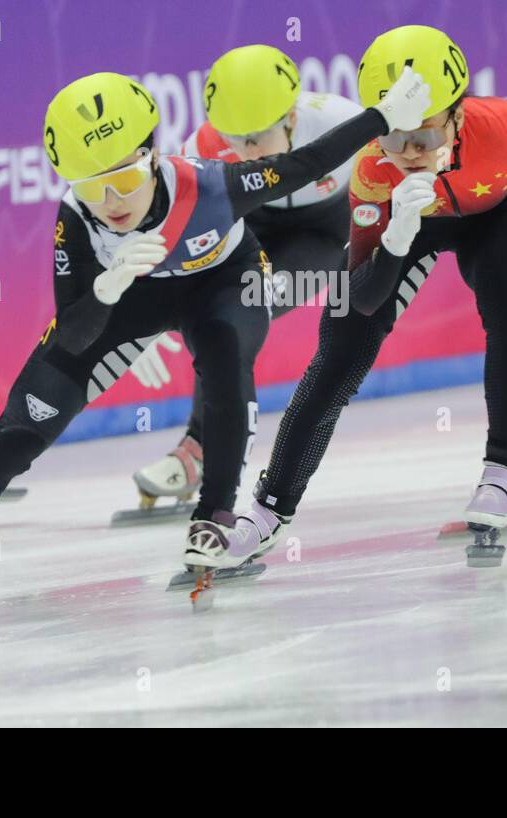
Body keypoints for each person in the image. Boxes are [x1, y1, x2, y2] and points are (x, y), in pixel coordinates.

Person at [0, 66, 432, 607]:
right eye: (90, 186)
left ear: (151, 155)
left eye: (124, 178)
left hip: (220, 285)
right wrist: (107, 285)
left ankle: (215, 514)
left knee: (227, 357)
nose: (112, 202)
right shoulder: (77, 220)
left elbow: (305, 165)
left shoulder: (212, 185)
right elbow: (72, 336)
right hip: (126, 298)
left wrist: (382, 117)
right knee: (18, 432)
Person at [231, 23, 507, 561]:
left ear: (457, 113)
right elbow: (361, 299)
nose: (408, 152)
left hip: (498, 212)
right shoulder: (375, 175)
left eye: (423, 136)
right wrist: (399, 237)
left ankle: (503, 472)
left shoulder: (504, 128)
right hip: (410, 223)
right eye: (392, 135)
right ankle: (269, 508)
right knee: (337, 349)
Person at [126, 45, 361, 516]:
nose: (246, 152)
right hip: (249, 225)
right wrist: (137, 316)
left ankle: (202, 447)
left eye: (256, 137)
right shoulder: (204, 148)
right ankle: (200, 448)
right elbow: (167, 234)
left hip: (322, 234)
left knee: (247, 306)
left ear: (292, 118)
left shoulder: (342, 125)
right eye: (234, 138)